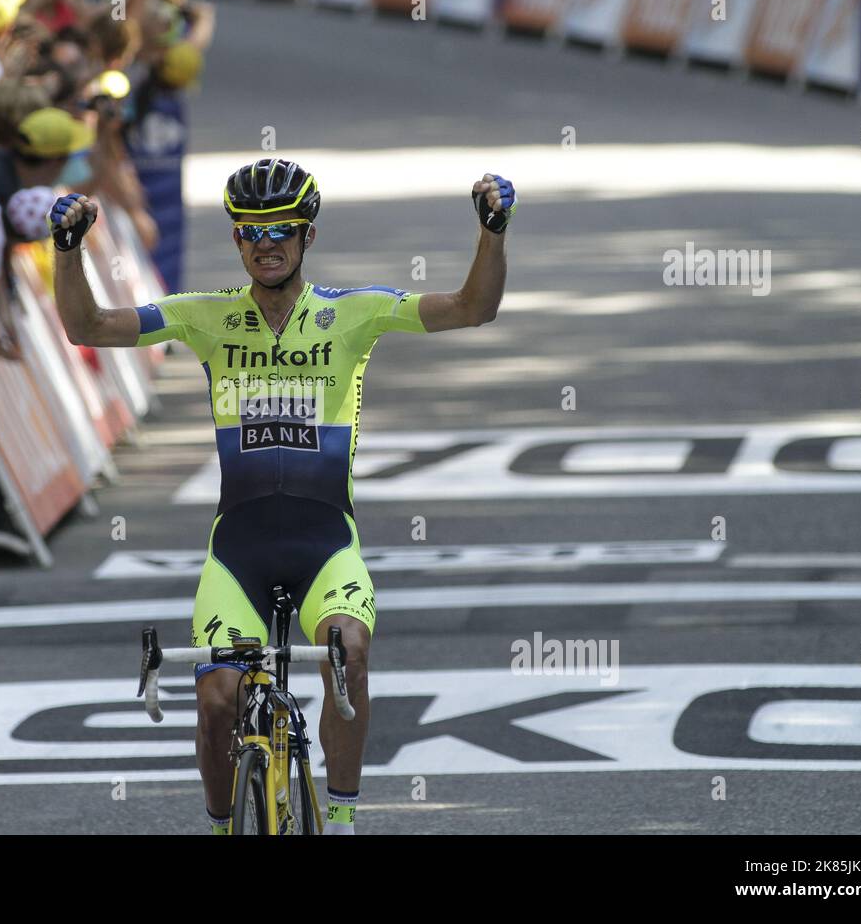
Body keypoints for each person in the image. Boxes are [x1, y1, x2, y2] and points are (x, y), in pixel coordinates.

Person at [48, 158, 516, 835]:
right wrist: (67, 252)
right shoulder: (205, 317)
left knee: (348, 653)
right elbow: (87, 326)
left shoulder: (353, 314)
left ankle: (346, 818)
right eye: (250, 231)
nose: (266, 244)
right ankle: (220, 825)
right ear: (236, 239)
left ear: (308, 237)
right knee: (215, 701)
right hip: (239, 553)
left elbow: (474, 308)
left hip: (326, 546)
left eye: (282, 230)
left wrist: (492, 233)